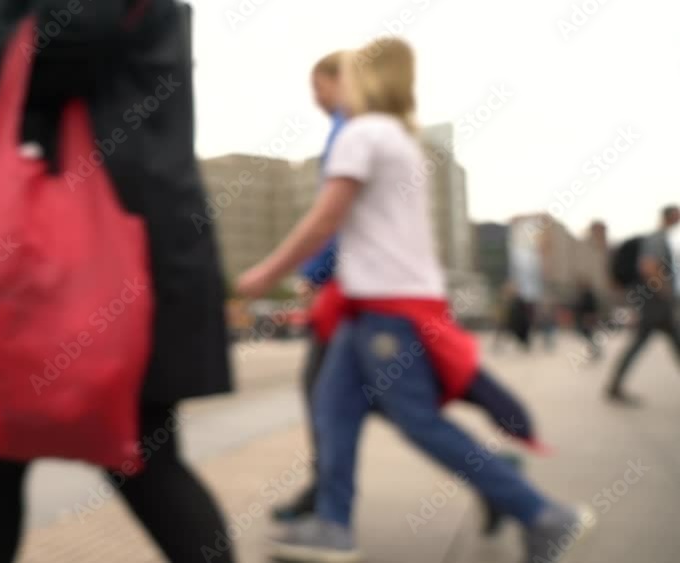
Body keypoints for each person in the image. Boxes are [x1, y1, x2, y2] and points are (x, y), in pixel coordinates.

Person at [237, 40, 592, 562]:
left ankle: (543, 514)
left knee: (417, 420)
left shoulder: (362, 134)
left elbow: (328, 217)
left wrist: (267, 272)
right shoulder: (398, 138)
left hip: (387, 310)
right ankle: (333, 526)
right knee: (334, 411)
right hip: (376, 307)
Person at [0, 2, 233, 562]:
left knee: (7, 453)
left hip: (80, 258)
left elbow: (65, 39)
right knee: (127, 456)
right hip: (113, 242)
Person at [272, 49, 349, 523]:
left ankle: (326, 498)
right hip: (359, 292)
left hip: (352, 295)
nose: (314, 98)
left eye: (316, 86)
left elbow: (334, 215)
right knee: (396, 402)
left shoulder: (348, 129)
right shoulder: (364, 127)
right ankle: (326, 494)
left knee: (322, 389)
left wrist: (313, 271)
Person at [607, 205, 680, 404]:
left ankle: (614, 386)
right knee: (667, 339)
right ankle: (614, 387)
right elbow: (648, 266)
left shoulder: (659, 237)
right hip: (656, 301)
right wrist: (665, 291)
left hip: (654, 301)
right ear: (670, 217)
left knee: (648, 341)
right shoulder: (657, 238)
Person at [574, 278, 602, 360]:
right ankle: (593, 350)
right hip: (585, 318)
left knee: (589, 334)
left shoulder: (588, 296)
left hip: (588, 317)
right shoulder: (583, 295)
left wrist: (589, 316)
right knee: (588, 335)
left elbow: (589, 307)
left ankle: (594, 351)